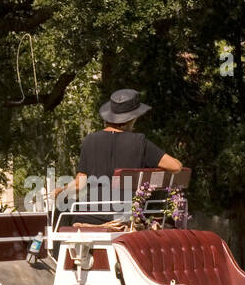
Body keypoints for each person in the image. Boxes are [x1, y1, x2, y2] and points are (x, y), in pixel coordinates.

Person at [59, 88, 182, 217]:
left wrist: (58, 192)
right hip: (123, 218)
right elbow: (176, 167)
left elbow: (79, 184)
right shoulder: (139, 142)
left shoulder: (89, 140)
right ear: (133, 118)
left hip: (89, 216)